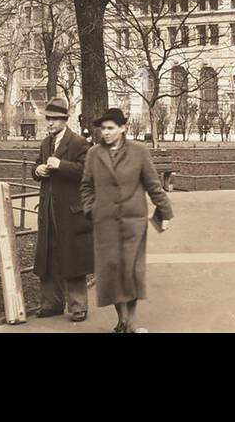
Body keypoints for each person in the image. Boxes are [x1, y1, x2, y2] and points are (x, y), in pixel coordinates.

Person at [80, 107, 173, 333]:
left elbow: (153, 185)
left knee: (130, 272)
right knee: (111, 272)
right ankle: (122, 320)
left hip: (133, 222)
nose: (106, 133)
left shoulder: (139, 152)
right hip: (105, 223)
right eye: (103, 129)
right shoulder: (94, 154)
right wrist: (91, 209)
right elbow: (86, 186)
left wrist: (165, 212)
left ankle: (129, 323)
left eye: (111, 128)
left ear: (123, 128)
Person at [31, 98, 94, 323]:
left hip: (70, 211)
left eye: (54, 119)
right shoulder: (45, 143)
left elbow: (87, 172)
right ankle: (52, 303)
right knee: (48, 256)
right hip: (48, 209)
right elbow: (38, 164)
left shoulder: (78, 142)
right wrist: (37, 170)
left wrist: (61, 165)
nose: (49, 123)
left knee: (72, 257)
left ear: (64, 120)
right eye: (47, 119)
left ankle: (78, 307)